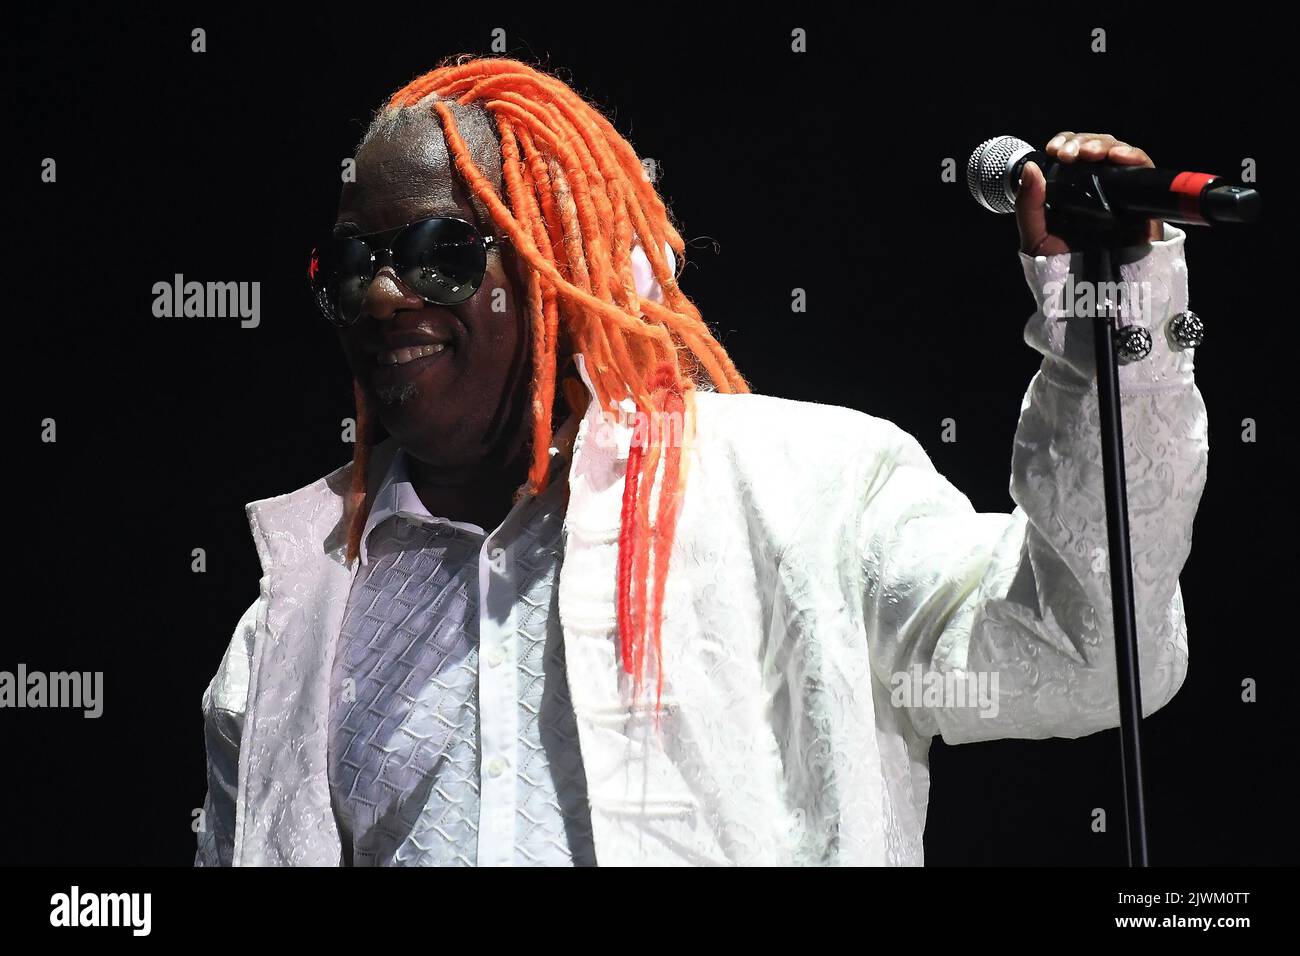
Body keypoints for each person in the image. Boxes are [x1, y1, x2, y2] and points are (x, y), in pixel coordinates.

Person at [195, 56, 1206, 866]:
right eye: (352, 265)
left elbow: (1084, 654)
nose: (383, 296)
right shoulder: (300, 614)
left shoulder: (807, 494)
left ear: (567, 265)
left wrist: (1104, 327)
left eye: (439, 251)